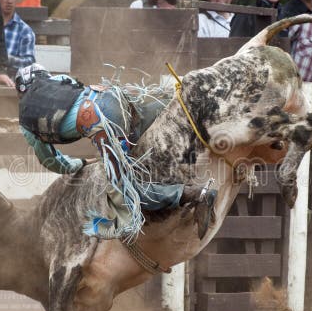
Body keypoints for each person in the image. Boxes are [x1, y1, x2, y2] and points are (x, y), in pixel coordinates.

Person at [15, 63, 217, 242]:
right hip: (114, 96)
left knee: (125, 193)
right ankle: (199, 105)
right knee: (159, 114)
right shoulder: (58, 80)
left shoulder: (26, 121)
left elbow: (52, 162)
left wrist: (80, 163)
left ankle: (196, 194)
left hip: (103, 122)